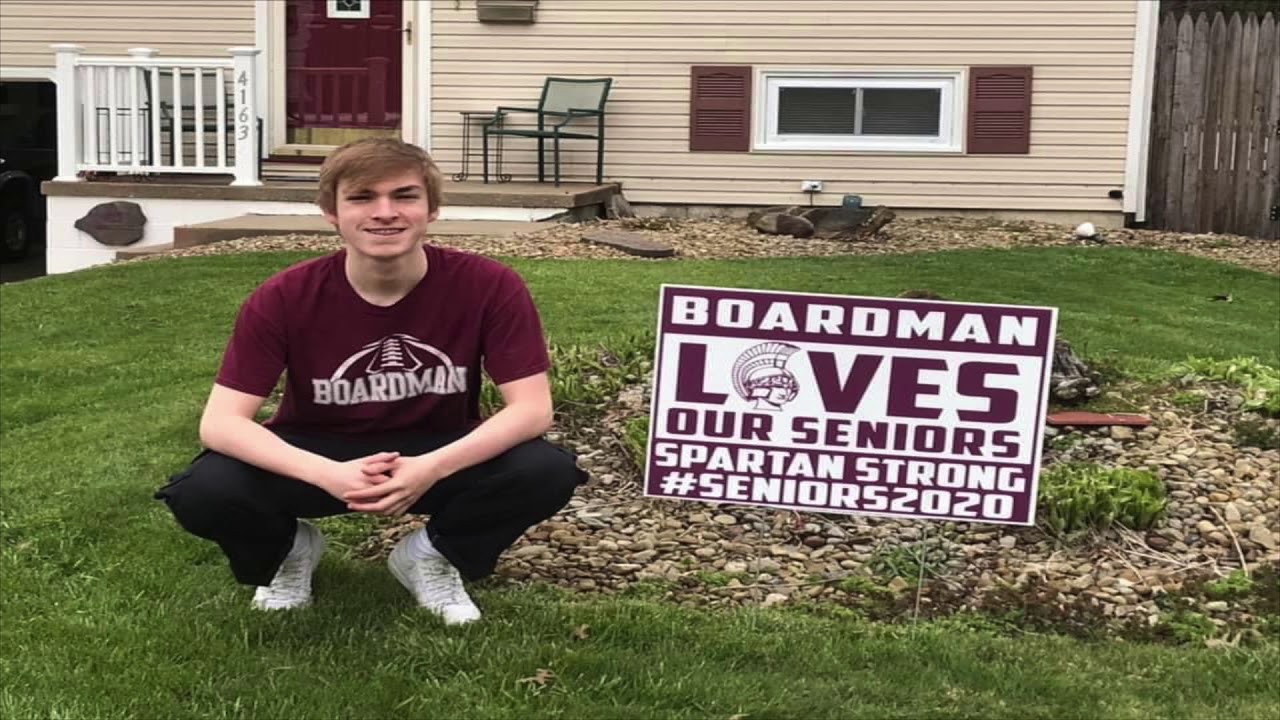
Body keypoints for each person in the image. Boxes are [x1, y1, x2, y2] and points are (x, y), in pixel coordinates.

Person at [154, 138, 586, 625]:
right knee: (204, 489)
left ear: (432, 209)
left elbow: (531, 409)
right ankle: (288, 552)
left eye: (404, 195)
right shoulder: (283, 297)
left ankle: (432, 555)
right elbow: (221, 424)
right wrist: (328, 475)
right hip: (320, 448)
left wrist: (431, 468)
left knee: (545, 470)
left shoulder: (490, 286)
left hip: (434, 447)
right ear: (331, 213)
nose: (385, 213)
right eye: (362, 197)